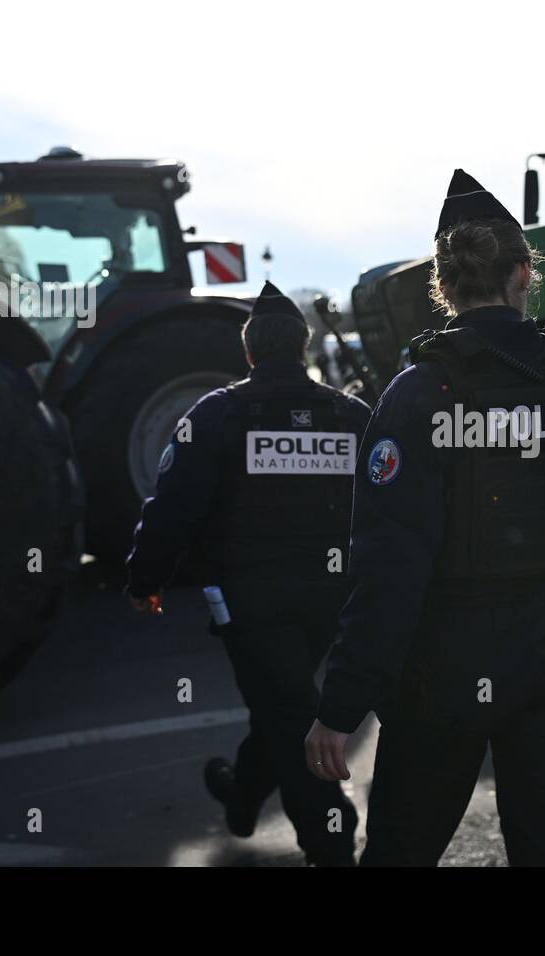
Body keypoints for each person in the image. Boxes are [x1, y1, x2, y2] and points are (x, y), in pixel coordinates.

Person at [305, 170, 545, 865]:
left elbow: (389, 568)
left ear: (445, 286)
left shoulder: (419, 393)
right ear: (524, 273)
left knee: (399, 853)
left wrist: (342, 704)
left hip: (443, 676)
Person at [127, 282, 370, 866]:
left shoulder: (218, 413)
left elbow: (173, 506)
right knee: (285, 705)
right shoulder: (351, 415)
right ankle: (241, 796)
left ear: (250, 353)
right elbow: (391, 505)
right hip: (332, 602)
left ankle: (331, 842)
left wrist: (145, 579)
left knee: (289, 713)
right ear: (303, 347)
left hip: (248, 606)